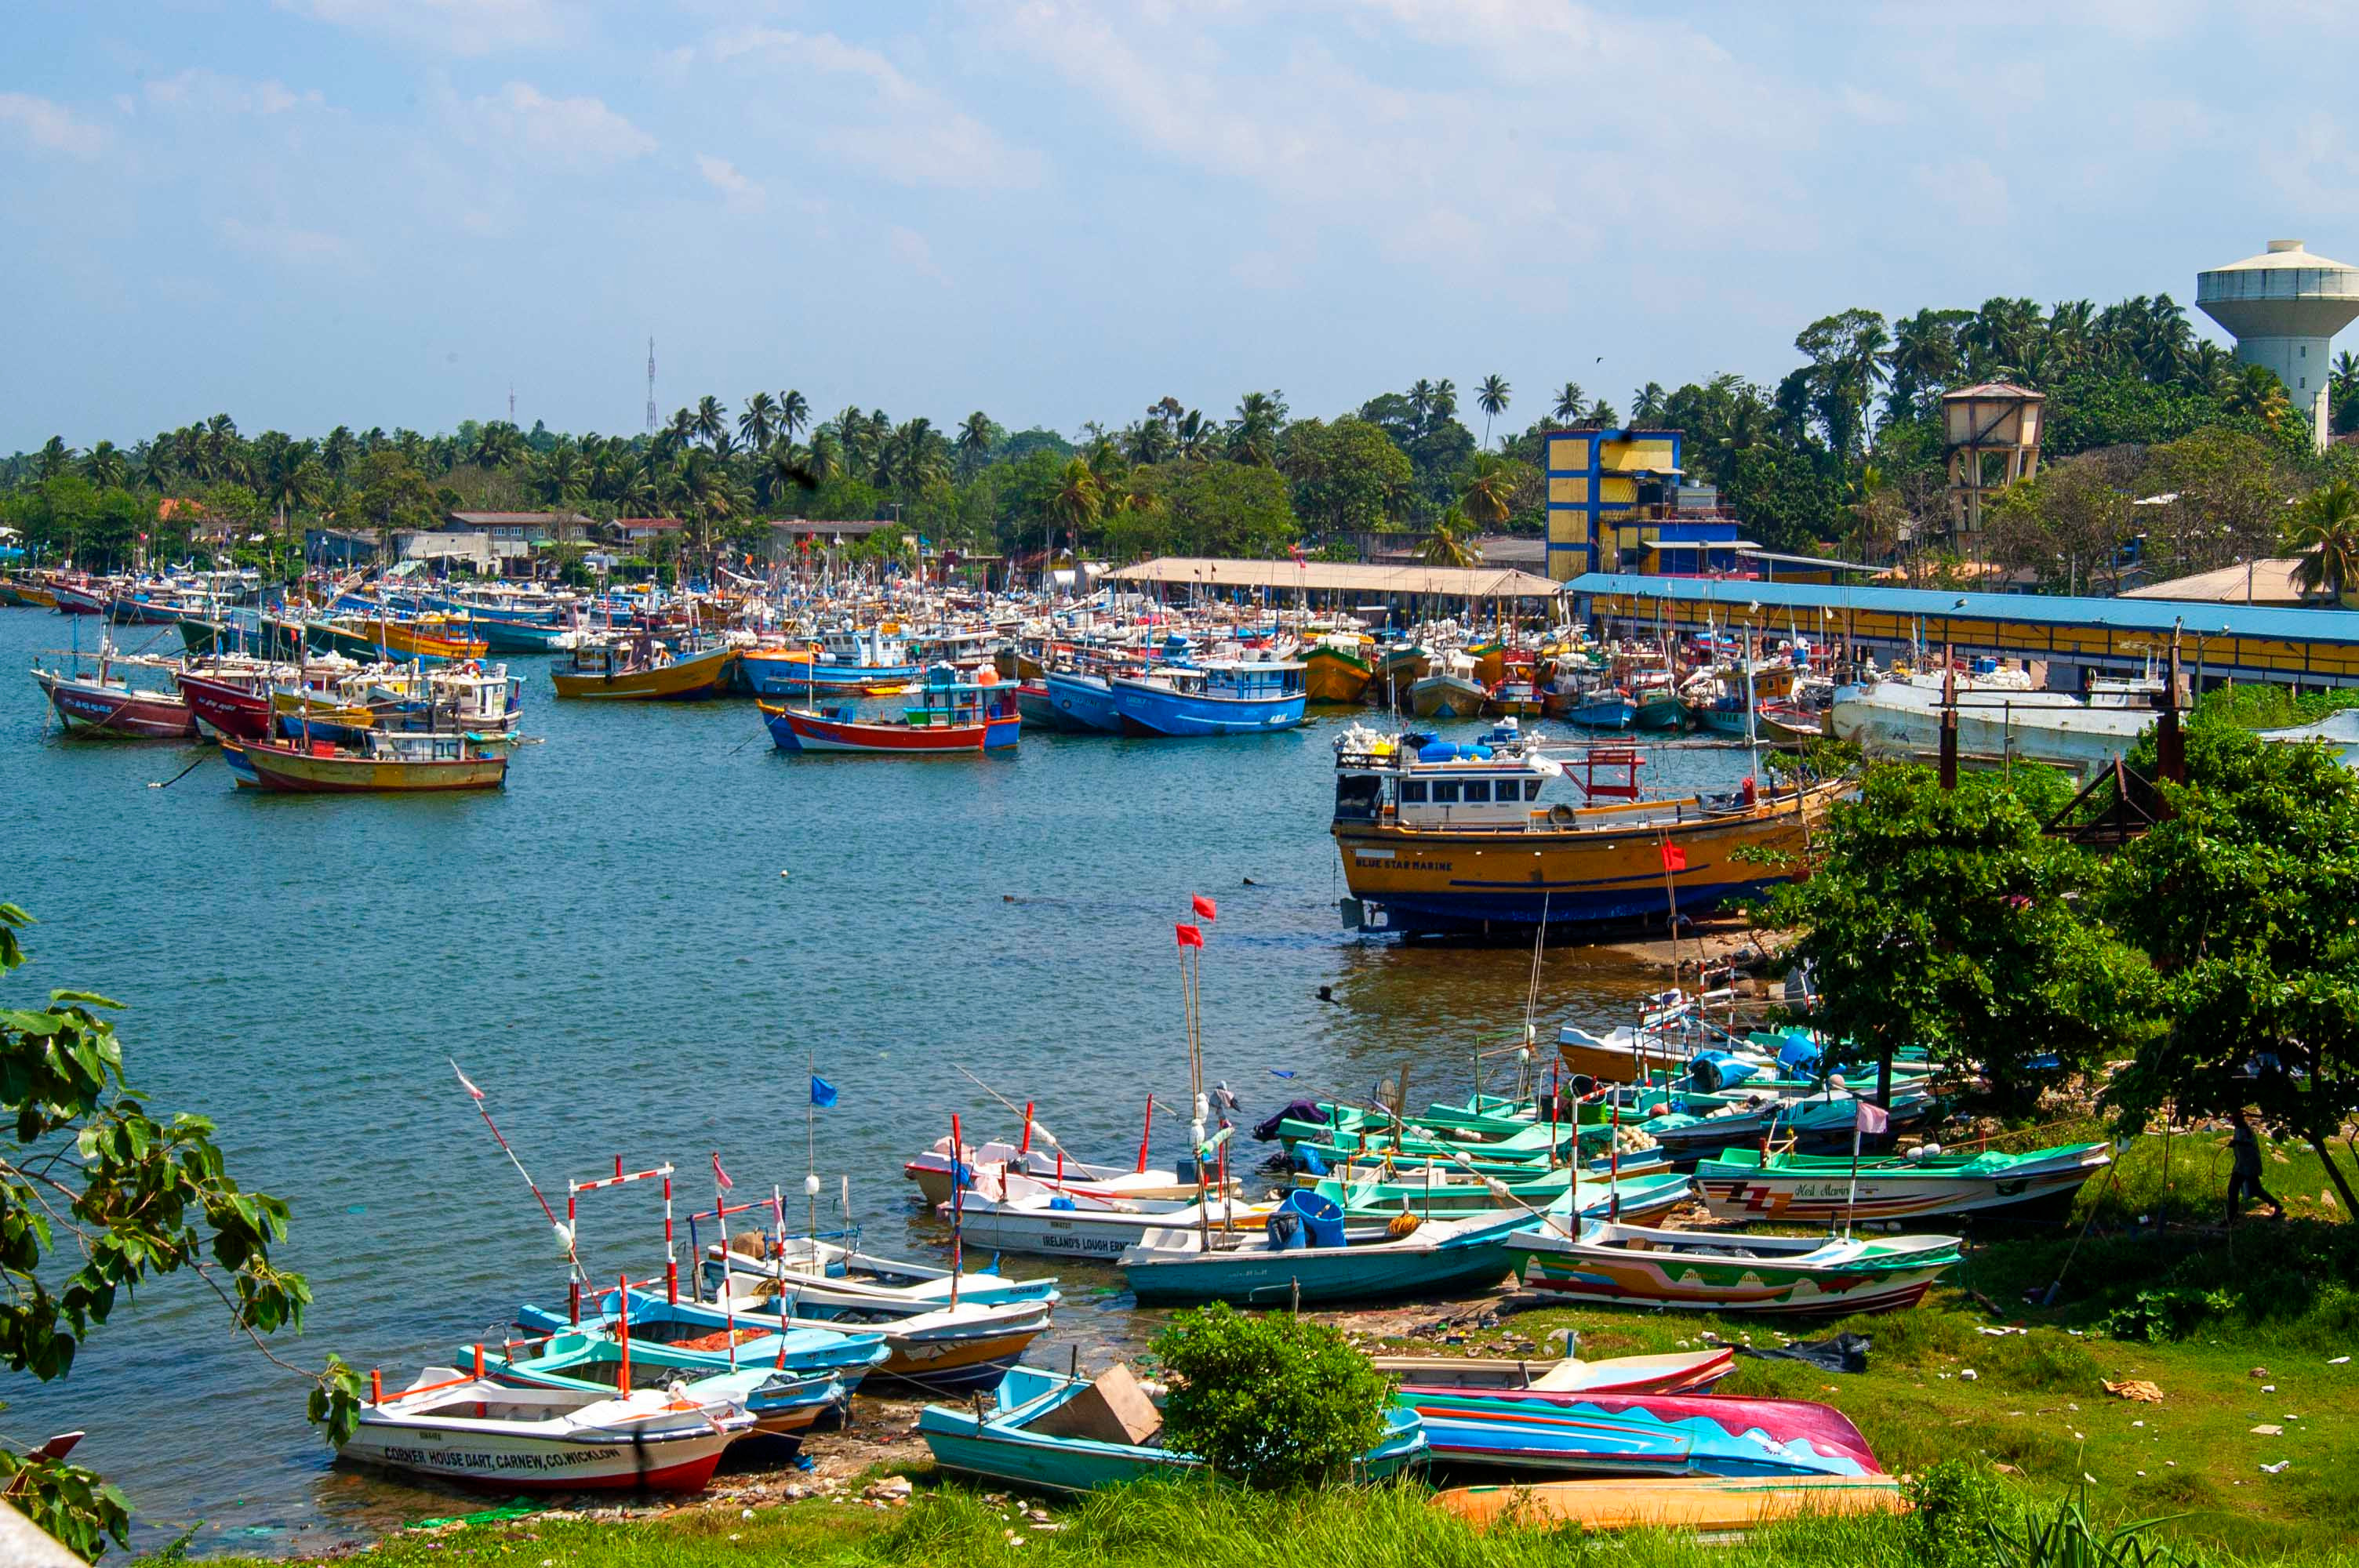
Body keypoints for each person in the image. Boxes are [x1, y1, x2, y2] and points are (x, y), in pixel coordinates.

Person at [2226, 1109, 2284, 1223]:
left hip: (2250, 1165)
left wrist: (2237, 1142)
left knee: (2243, 1190)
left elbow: (2249, 1144)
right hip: (2241, 1165)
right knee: (2238, 1190)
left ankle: (2231, 1218)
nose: (2233, 1123)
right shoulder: (2239, 1128)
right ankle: (2231, 1217)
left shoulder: (2246, 1130)